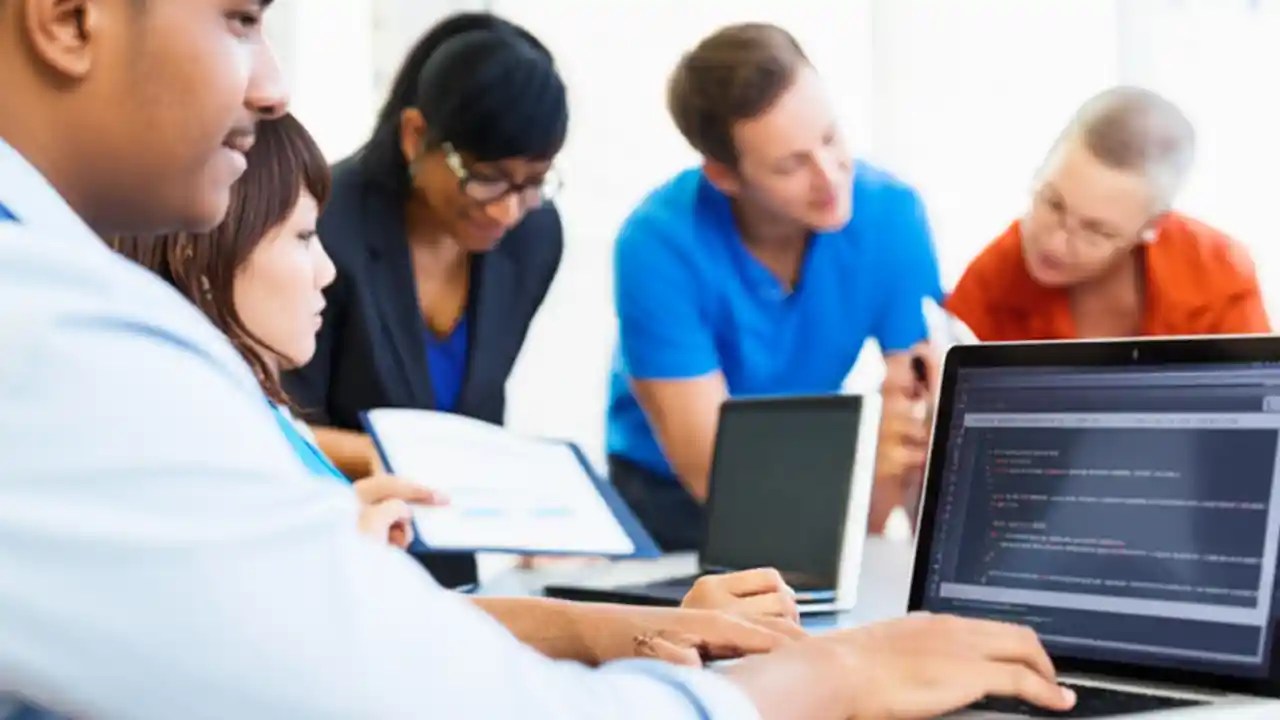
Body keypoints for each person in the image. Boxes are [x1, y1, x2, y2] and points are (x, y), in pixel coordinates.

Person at [0, 0, 1076, 717]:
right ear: (68, 18)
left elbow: (405, 639)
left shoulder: (81, 320)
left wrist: (640, 625)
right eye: (238, 17)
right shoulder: (69, 347)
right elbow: (415, 693)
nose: (272, 79)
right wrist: (825, 678)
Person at [109, 113, 807, 657]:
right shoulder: (202, 453)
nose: (328, 271)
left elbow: (431, 624)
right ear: (204, 258)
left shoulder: (261, 426)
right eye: (301, 240)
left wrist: (656, 631)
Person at [607, 23, 945, 551]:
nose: (831, 177)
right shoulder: (657, 244)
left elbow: (919, 415)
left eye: (832, 138)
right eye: (791, 165)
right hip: (671, 498)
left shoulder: (891, 214)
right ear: (725, 177)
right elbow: (710, 472)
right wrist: (860, 461)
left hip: (815, 475)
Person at [281, 12, 568, 588]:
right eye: (486, 178)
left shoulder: (533, 237)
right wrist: (388, 458)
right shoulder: (324, 229)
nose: (507, 209)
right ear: (415, 135)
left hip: (455, 556)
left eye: (533, 182)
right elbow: (278, 427)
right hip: (340, 548)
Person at [947, 86, 1270, 342]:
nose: (1056, 243)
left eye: (1096, 231)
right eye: (1053, 204)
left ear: (1151, 227)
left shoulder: (1218, 272)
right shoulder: (993, 279)